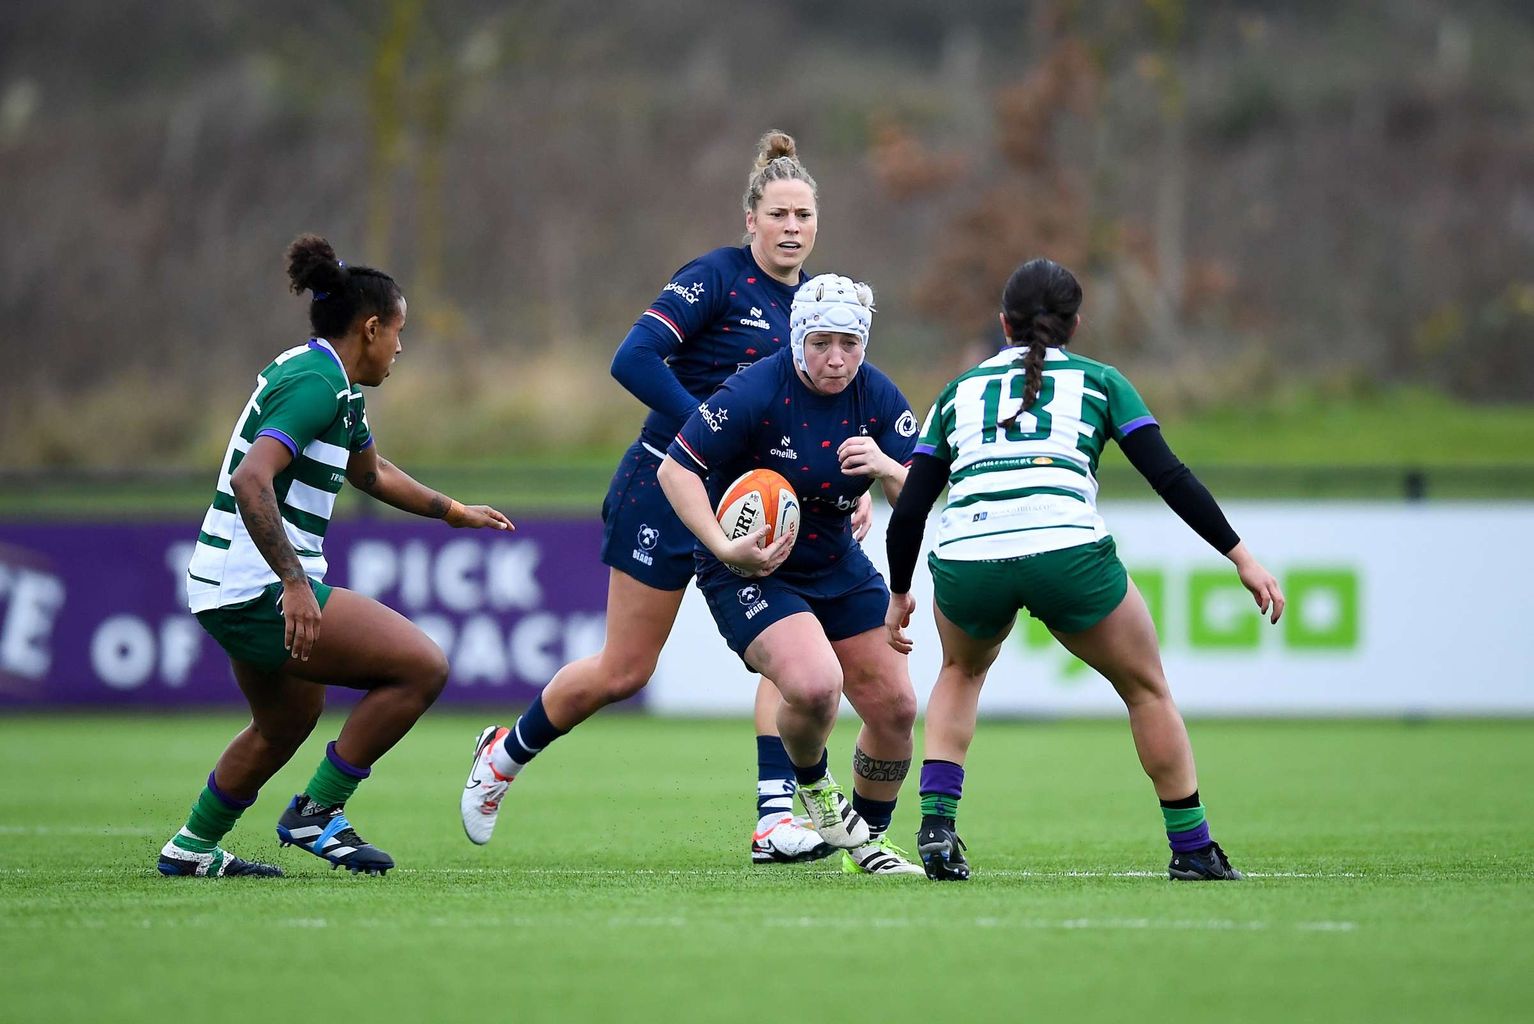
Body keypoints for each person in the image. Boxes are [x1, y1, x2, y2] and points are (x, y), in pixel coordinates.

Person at [460, 131, 871, 864]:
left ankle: (774, 818)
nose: (791, 228)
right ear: (750, 218)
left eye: (803, 216)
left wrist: (848, 487)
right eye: (777, 214)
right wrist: (706, 432)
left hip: (759, 498)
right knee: (625, 670)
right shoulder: (716, 278)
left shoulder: (816, 306)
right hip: (663, 483)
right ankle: (504, 752)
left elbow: (830, 406)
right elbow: (632, 358)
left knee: (790, 656)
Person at [884, 257, 1285, 883]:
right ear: (1075, 323)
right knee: (1145, 688)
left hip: (968, 557)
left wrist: (900, 592)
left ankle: (937, 826)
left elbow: (910, 508)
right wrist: (1241, 556)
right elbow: (1169, 476)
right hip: (1066, 551)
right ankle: (1193, 849)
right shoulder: (1100, 382)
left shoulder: (958, 391)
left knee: (960, 671)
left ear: (1002, 323)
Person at [156, 234, 513, 878]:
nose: (400, 348)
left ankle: (191, 847)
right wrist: (293, 581)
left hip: (229, 586)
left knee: (286, 719)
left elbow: (370, 474)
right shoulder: (318, 383)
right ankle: (318, 814)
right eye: (398, 333)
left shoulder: (331, 382)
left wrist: (452, 511)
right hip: (256, 586)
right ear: (370, 328)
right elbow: (250, 479)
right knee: (421, 668)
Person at [656, 273, 925, 875]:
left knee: (897, 708)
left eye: (850, 344)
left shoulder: (877, 396)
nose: (836, 359)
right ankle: (818, 797)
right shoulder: (754, 390)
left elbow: (927, 490)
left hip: (836, 562)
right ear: (798, 336)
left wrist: (886, 467)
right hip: (751, 570)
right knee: (812, 684)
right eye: (822, 343)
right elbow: (676, 470)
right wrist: (726, 548)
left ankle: (869, 841)